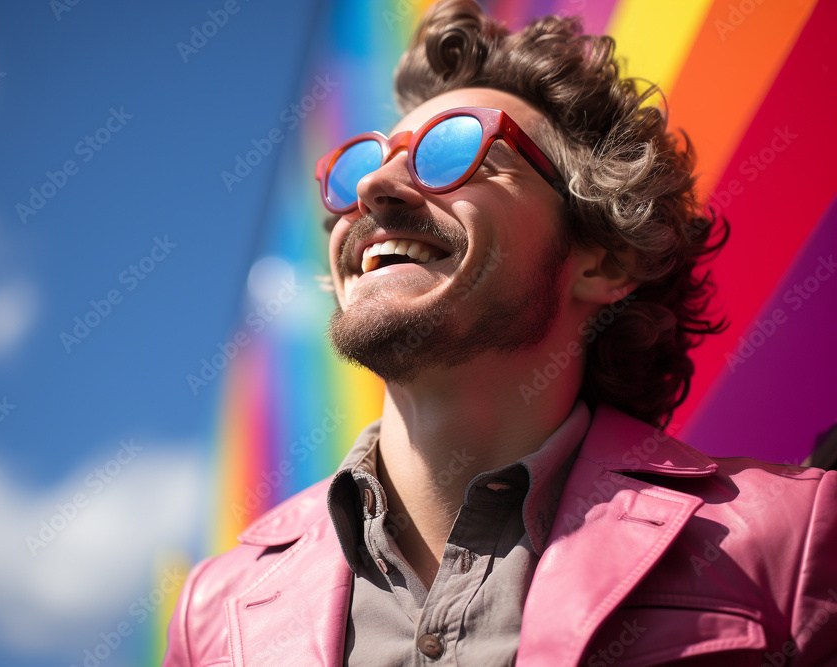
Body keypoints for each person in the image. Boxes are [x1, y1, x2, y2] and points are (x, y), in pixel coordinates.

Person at [163, 1, 837, 664]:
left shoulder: (793, 541)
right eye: (357, 164)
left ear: (603, 258)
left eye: (454, 150)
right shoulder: (211, 612)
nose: (374, 183)